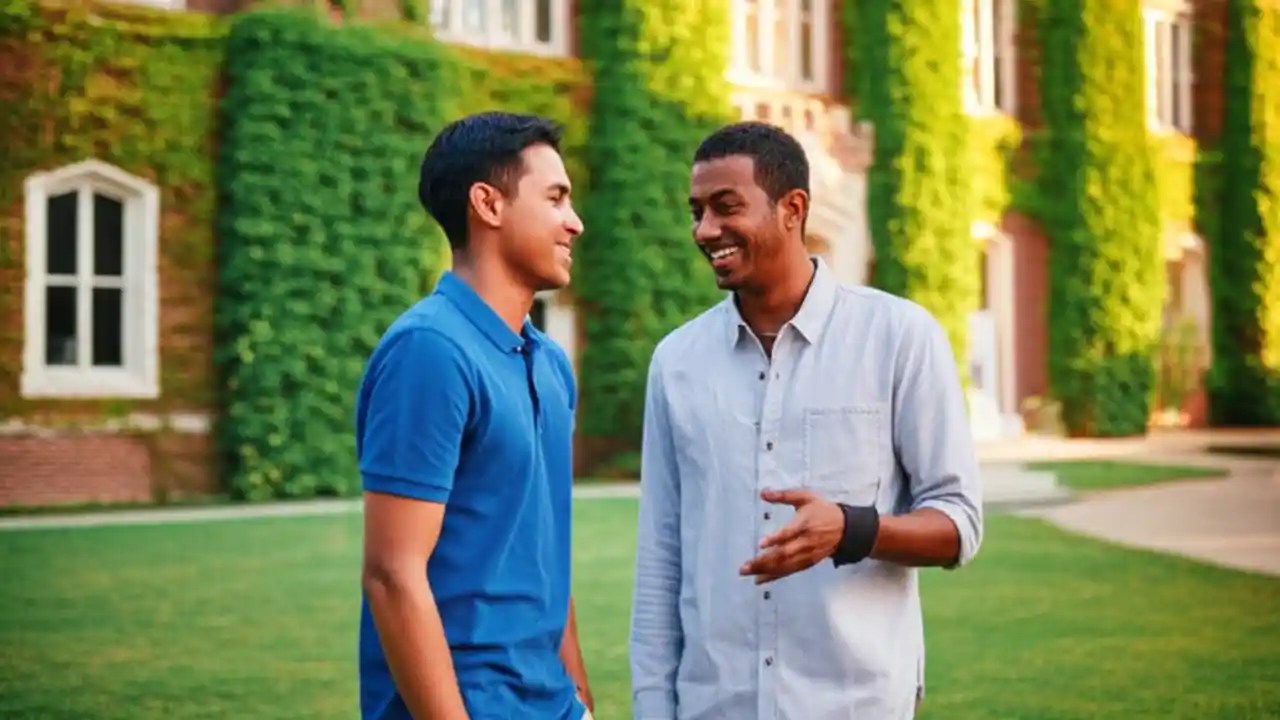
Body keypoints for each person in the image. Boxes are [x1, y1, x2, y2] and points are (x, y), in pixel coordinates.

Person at [629, 121, 984, 719]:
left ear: (793, 208)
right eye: (697, 211)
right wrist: (652, 707)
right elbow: (663, 557)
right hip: (715, 706)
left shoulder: (898, 338)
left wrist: (851, 529)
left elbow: (959, 524)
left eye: (726, 207)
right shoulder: (676, 362)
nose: (705, 230)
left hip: (854, 704)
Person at [354, 111, 593, 720]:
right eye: (556, 197)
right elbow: (391, 573)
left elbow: (544, 557)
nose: (575, 222)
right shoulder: (429, 351)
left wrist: (581, 703)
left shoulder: (549, 363)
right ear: (488, 204)